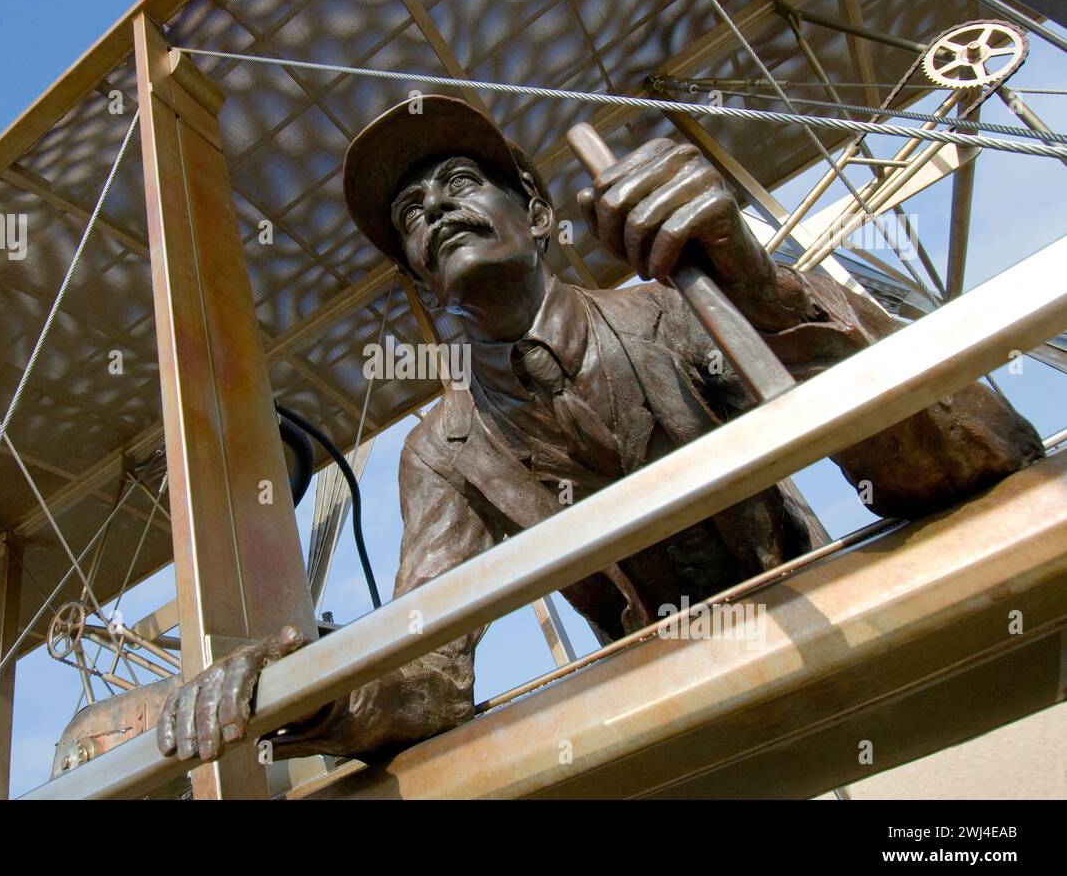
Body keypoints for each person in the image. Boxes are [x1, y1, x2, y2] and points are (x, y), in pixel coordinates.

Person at [156, 95, 1043, 767]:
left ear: (538, 214)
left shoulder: (684, 303)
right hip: (680, 725)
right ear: (425, 285)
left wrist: (764, 293)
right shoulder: (443, 450)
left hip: (864, 643)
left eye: (459, 183)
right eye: (409, 217)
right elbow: (432, 672)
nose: (431, 210)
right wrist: (307, 693)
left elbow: (984, 451)